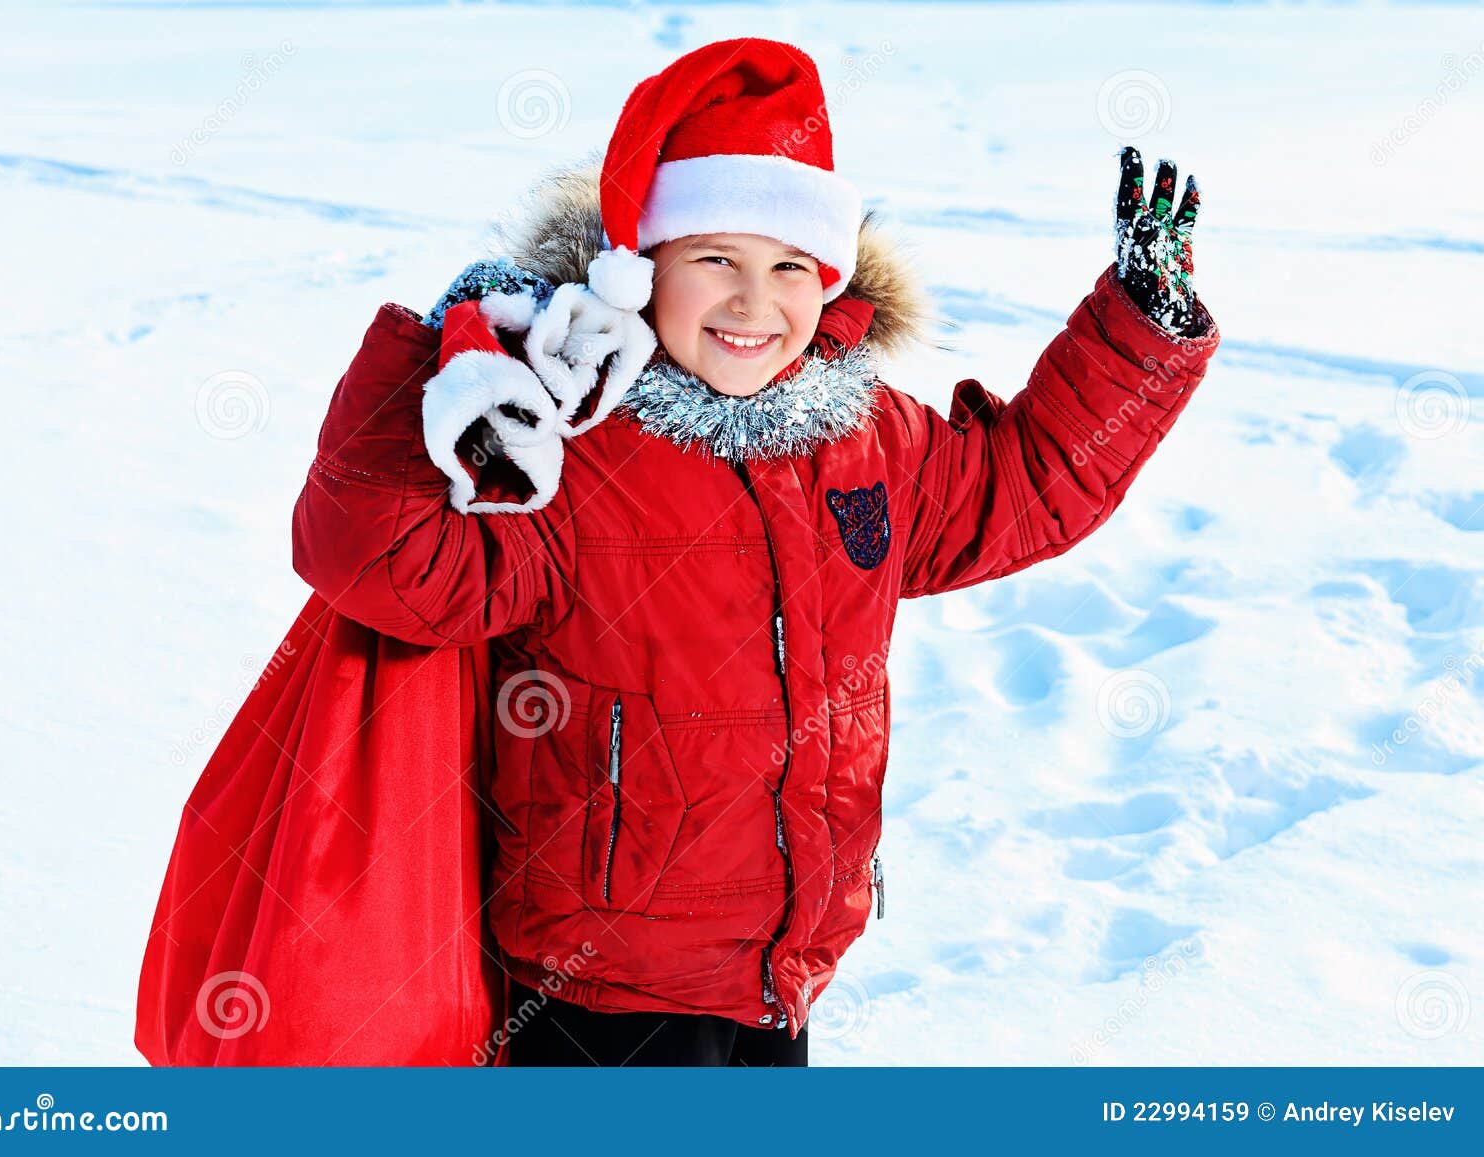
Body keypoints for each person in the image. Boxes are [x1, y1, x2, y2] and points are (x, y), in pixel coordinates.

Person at [290, 37, 1219, 1067]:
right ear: (640, 271)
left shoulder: (867, 441)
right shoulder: (571, 447)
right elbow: (383, 567)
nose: (752, 302)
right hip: (596, 996)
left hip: (779, 969)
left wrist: (1138, 333)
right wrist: (425, 362)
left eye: (789, 268)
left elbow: (1024, 485)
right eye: (714, 260)